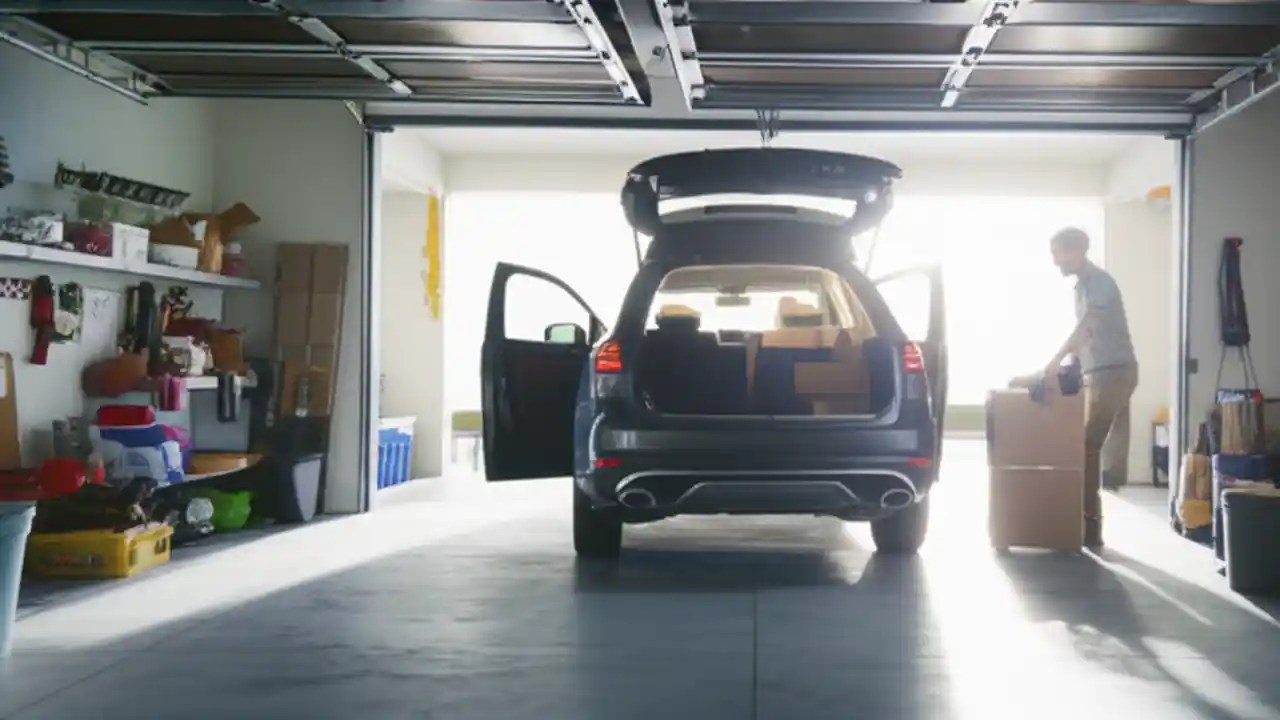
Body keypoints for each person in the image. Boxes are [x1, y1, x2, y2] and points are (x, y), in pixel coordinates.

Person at [1044, 227, 1138, 549]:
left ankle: (1089, 530)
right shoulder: (1081, 288)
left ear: (1077, 252)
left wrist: (1056, 359)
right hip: (1099, 372)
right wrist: (1070, 363)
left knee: (1085, 447)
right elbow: (1084, 337)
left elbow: (1087, 327)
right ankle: (1086, 523)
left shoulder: (1100, 283)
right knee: (1089, 447)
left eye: (1058, 252)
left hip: (1114, 373)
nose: (1055, 260)